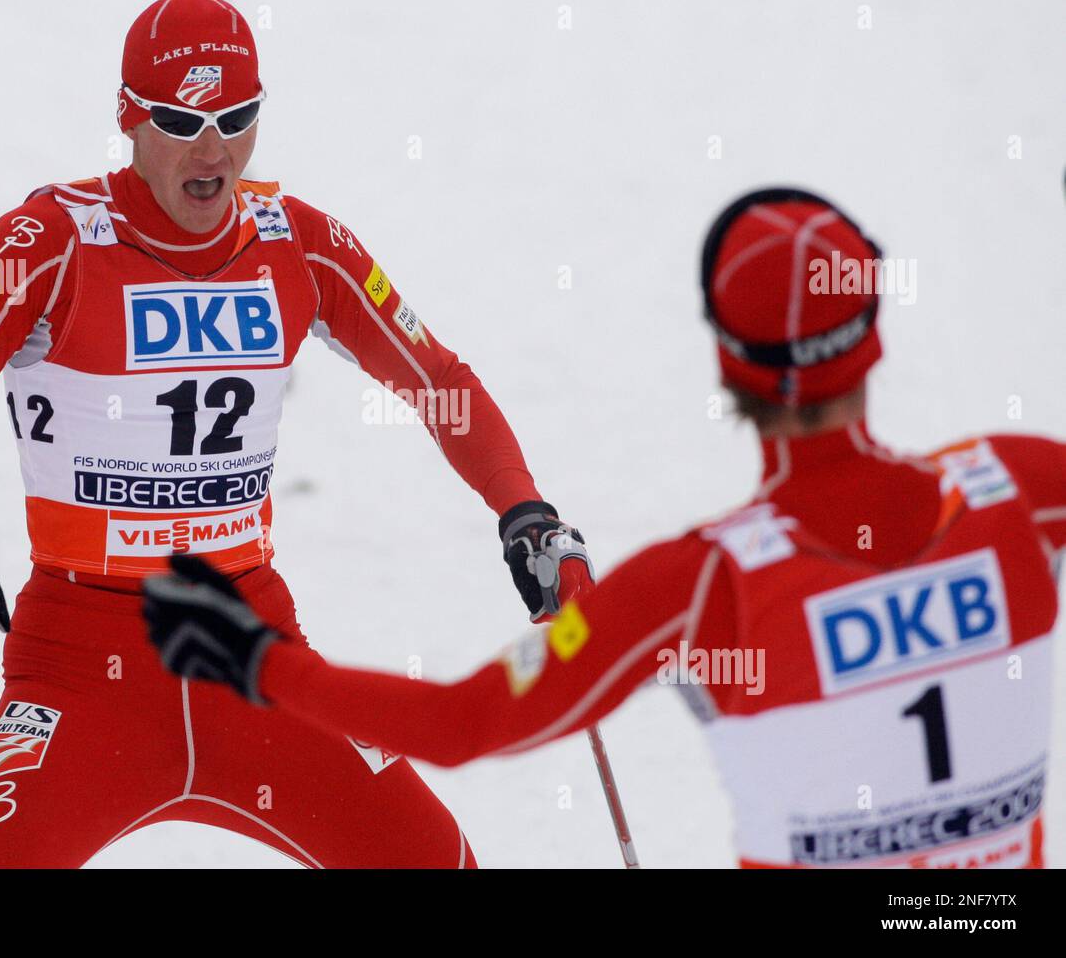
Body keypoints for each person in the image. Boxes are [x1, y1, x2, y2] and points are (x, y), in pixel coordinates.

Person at [0, 0, 592, 869]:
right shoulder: (48, 242)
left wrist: (530, 518)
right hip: (79, 669)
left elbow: (441, 380)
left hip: (253, 659)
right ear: (130, 118)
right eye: (181, 121)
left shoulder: (298, 242)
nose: (213, 151)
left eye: (237, 118)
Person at [145, 187, 1066, 869]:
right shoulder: (1020, 488)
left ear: (725, 361)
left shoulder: (700, 585)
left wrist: (259, 659)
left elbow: (464, 721)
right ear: (876, 330)